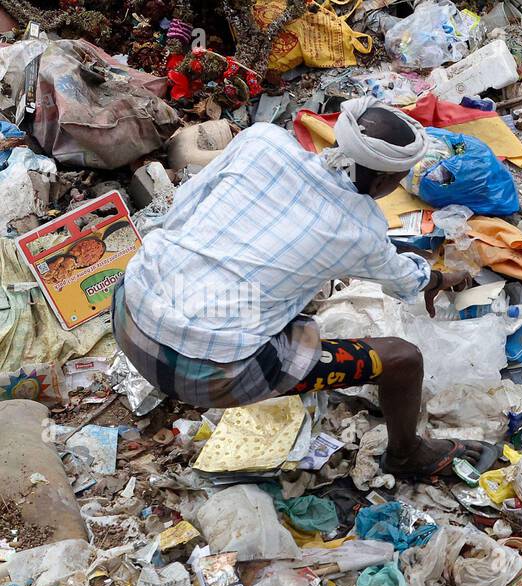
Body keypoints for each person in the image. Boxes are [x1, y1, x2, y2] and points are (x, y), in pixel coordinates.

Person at [114, 97, 493, 479]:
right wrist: (442, 278)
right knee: (402, 360)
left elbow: (182, 211)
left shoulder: (261, 140)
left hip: (129, 310)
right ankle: (407, 454)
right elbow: (408, 282)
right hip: (203, 376)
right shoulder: (360, 230)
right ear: (384, 180)